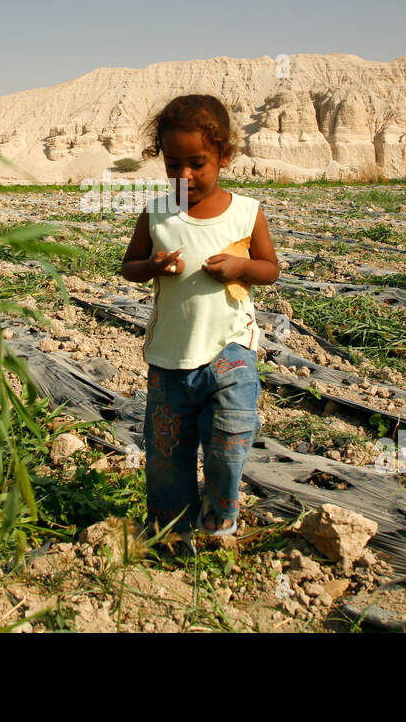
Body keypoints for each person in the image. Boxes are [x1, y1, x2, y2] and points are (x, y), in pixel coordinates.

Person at [120, 95, 280, 546]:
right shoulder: (157, 212)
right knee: (167, 456)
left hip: (231, 355)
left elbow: (270, 268)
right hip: (170, 360)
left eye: (198, 163)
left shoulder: (247, 211)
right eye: (173, 164)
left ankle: (219, 523)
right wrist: (152, 266)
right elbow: (129, 266)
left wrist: (240, 268)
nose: (183, 176)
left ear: (224, 157)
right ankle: (173, 531)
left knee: (229, 444)